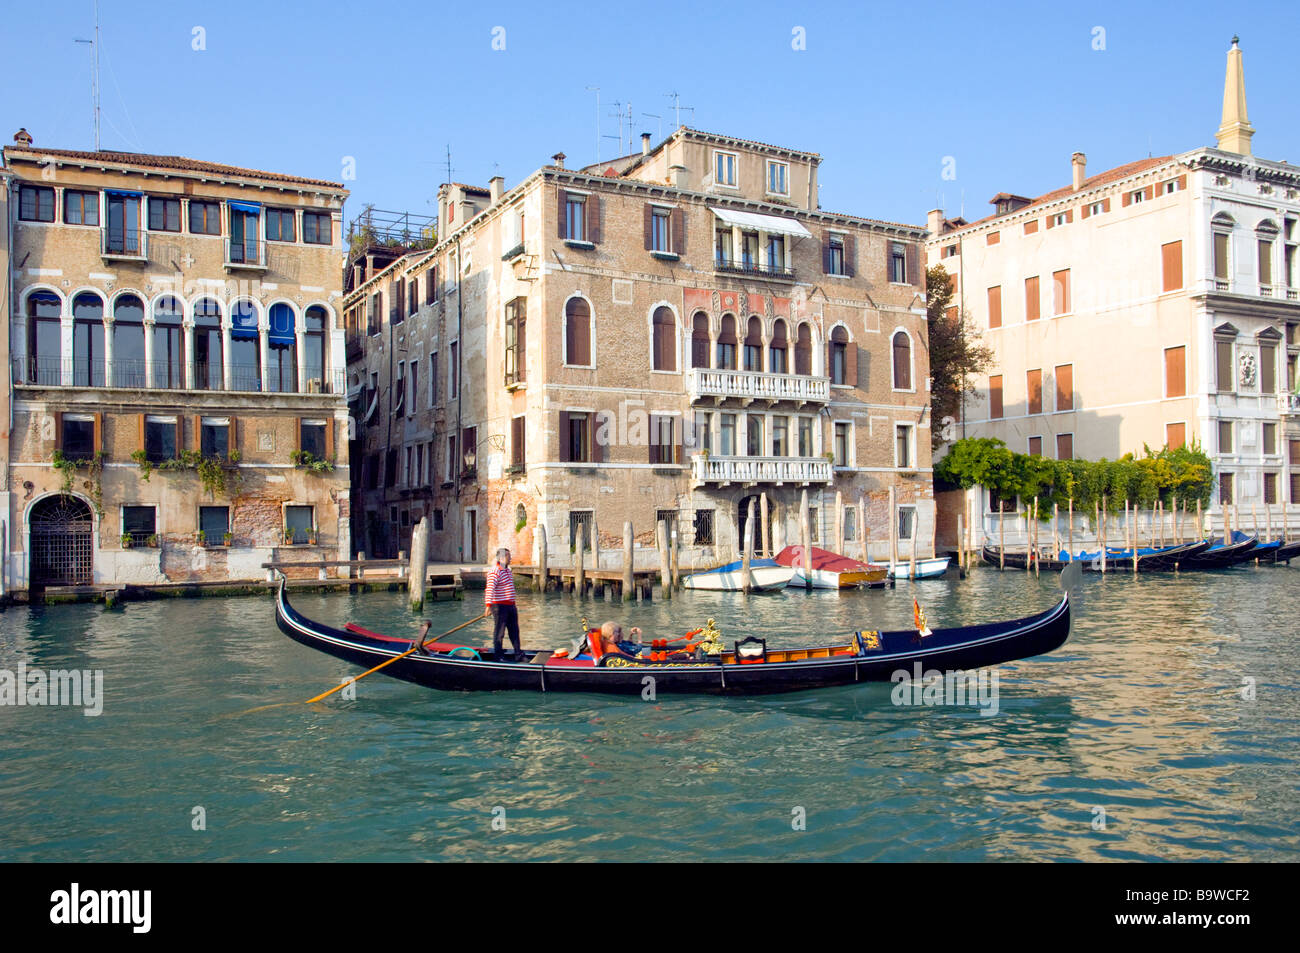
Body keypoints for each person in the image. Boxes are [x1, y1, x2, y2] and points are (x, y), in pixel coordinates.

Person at [484, 548, 521, 661]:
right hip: (499, 606)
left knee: (514, 630)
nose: (510, 558)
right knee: (499, 632)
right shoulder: (494, 571)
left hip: (510, 605)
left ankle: (518, 654)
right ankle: (498, 656)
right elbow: (490, 589)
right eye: (508, 556)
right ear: (502, 558)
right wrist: (488, 606)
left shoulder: (508, 570)